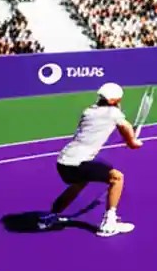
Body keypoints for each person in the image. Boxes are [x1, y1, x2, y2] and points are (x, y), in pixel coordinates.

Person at [42, 82, 142, 237]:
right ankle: (109, 224)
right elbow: (126, 128)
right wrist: (133, 142)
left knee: (78, 184)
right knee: (117, 178)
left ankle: (50, 217)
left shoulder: (88, 111)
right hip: (79, 163)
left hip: (63, 162)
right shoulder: (113, 114)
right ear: (115, 100)